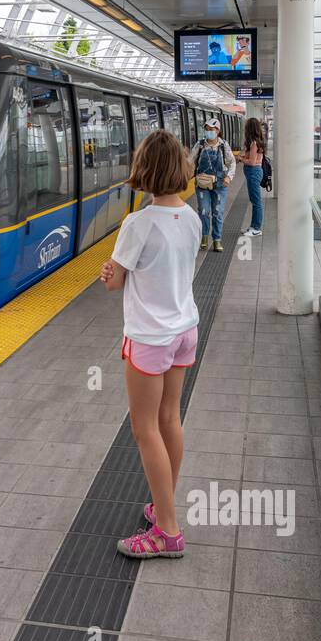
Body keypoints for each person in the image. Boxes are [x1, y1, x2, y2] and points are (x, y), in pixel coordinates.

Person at [100, 130, 200, 559]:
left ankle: (167, 531)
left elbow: (115, 280)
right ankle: (164, 504)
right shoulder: (192, 218)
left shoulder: (138, 224)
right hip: (185, 329)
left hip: (149, 337)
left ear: (144, 170)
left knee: (144, 430)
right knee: (169, 420)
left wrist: (109, 274)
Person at [189, 117, 235, 252]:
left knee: (218, 212)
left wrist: (229, 177)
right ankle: (204, 238)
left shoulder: (223, 145)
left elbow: (231, 162)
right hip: (202, 184)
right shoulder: (200, 145)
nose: (209, 132)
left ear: (218, 131)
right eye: (207, 129)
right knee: (204, 211)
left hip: (220, 185)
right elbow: (190, 160)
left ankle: (217, 240)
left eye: (212, 130)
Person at [240, 118, 267, 237]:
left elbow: (251, 162)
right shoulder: (256, 142)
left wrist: (240, 159)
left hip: (253, 172)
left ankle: (256, 228)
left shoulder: (254, 143)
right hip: (253, 173)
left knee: (256, 201)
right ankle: (253, 226)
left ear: (249, 129)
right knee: (254, 200)